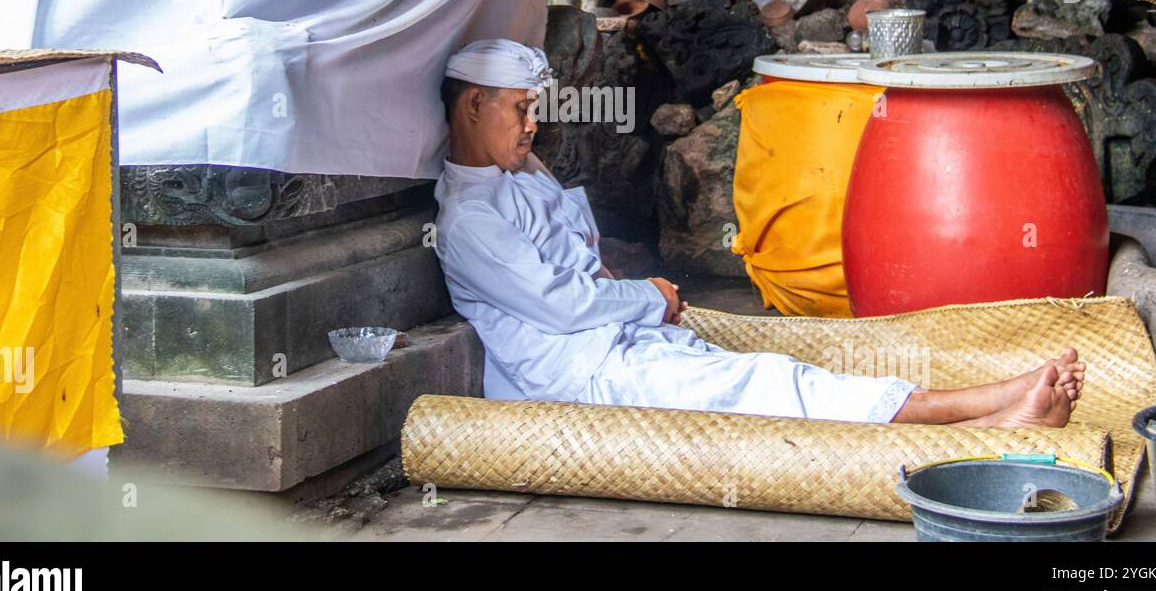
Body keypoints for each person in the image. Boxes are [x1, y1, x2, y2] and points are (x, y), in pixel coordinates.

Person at [432, 38, 1086, 426]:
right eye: (521, 110)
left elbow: (578, 257)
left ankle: (993, 412)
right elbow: (563, 306)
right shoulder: (469, 220)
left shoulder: (519, 175)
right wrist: (650, 293)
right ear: (472, 106)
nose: (532, 126)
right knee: (767, 387)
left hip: (617, 341)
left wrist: (629, 295)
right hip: (582, 376)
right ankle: (990, 405)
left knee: (776, 373)